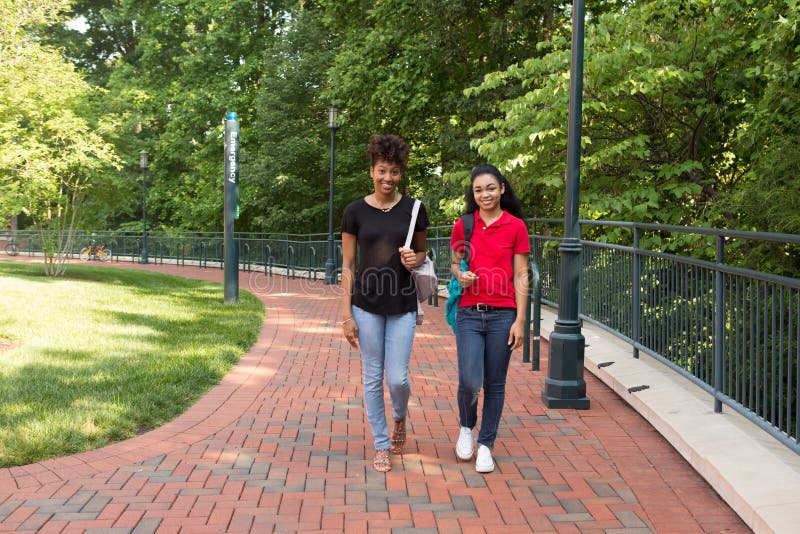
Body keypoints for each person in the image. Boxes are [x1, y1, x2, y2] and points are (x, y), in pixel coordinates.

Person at [340, 134, 429, 473]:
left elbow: (422, 253)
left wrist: (413, 258)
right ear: (371, 171)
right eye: (381, 171)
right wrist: (345, 314)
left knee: (397, 379)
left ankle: (400, 416)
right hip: (365, 303)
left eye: (394, 171)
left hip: (403, 303)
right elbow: (348, 265)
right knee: (372, 376)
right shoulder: (354, 212)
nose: (387, 178)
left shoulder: (414, 210)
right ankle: (381, 444)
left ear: (400, 173)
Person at [449, 164, 529, 473]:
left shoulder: (516, 227)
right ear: (473, 193)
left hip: (503, 315)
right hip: (470, 312)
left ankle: (486, 444)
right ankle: (466, 427)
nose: (485, 194)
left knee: (495, 383)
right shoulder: (464, 225)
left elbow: (521, 274)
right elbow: (454, 263)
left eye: (491, 188)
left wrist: (521, 320)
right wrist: (461, 275)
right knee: (470, 381)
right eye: (479, 190)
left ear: (502, 189)